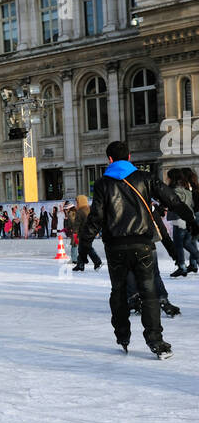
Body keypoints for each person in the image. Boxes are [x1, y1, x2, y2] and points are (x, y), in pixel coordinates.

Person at [76, 140, 199, 358]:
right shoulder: (145, 178)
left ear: (110, 160)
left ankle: (122, 335)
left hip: (115, 248)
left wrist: (84, 248)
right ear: (130, 157)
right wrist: (192, 220)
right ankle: (156, 341)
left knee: (119, 291)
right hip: (142, 245)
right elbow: (173, 200)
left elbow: (95, 219)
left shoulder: (103, 184)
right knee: (149, 293)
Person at [166, 168, 199, 277]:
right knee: (188, 243)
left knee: (179, 245)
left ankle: (182, 267)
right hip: (189, 220)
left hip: (178, 220)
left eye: (168, 177)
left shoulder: (174, 191)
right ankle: (191, 263)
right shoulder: (187, 190)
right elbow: (192, 205)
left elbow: (175, 205)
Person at [71, 195, 102, 270]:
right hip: (91, 232)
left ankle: (97, 261)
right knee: (82, 248)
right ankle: (80, 264)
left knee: (87, 248)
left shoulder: (80, 211)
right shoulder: (90, 209)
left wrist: (75, 234)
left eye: (77, 202)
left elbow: (77, 224)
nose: (76, 204)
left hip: (83, 233)